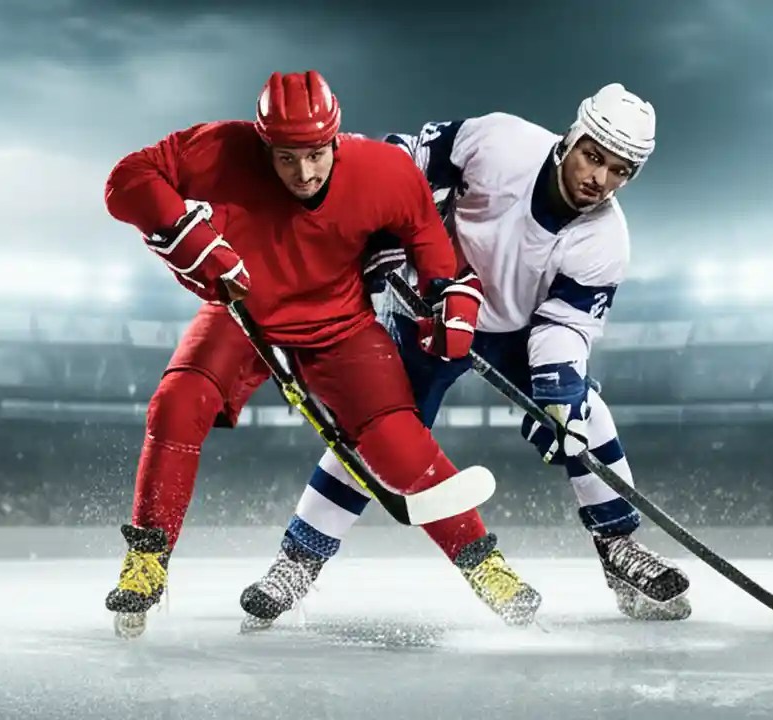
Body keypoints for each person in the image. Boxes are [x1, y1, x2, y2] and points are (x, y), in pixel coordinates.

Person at [101, 70, 541, 635]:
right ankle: (147, 557)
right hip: (240, 310)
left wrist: (449, 300)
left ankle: (484, 565)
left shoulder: (386, 171)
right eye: (286, 158)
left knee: (399, 444)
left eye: (315, 154)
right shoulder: (221, 147)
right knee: (176, 402)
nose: (303, 173)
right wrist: (182, 231)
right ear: (263, 144)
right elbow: (127, 179)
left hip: (339, 324)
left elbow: (432, 247)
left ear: (336, 138)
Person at [242, 83, 691, 627]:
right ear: (571, 138)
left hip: (520, 332)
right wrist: (381, 228)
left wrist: (559, 394)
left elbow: (566, 325)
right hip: (433, 307)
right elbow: (402, 162)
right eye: (593, 157)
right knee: (377, 433)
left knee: (585, 416)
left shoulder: (607, 240)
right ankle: (298, 560)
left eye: (619, 171)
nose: (599, 179)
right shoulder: (499, 142)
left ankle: (619, 546)